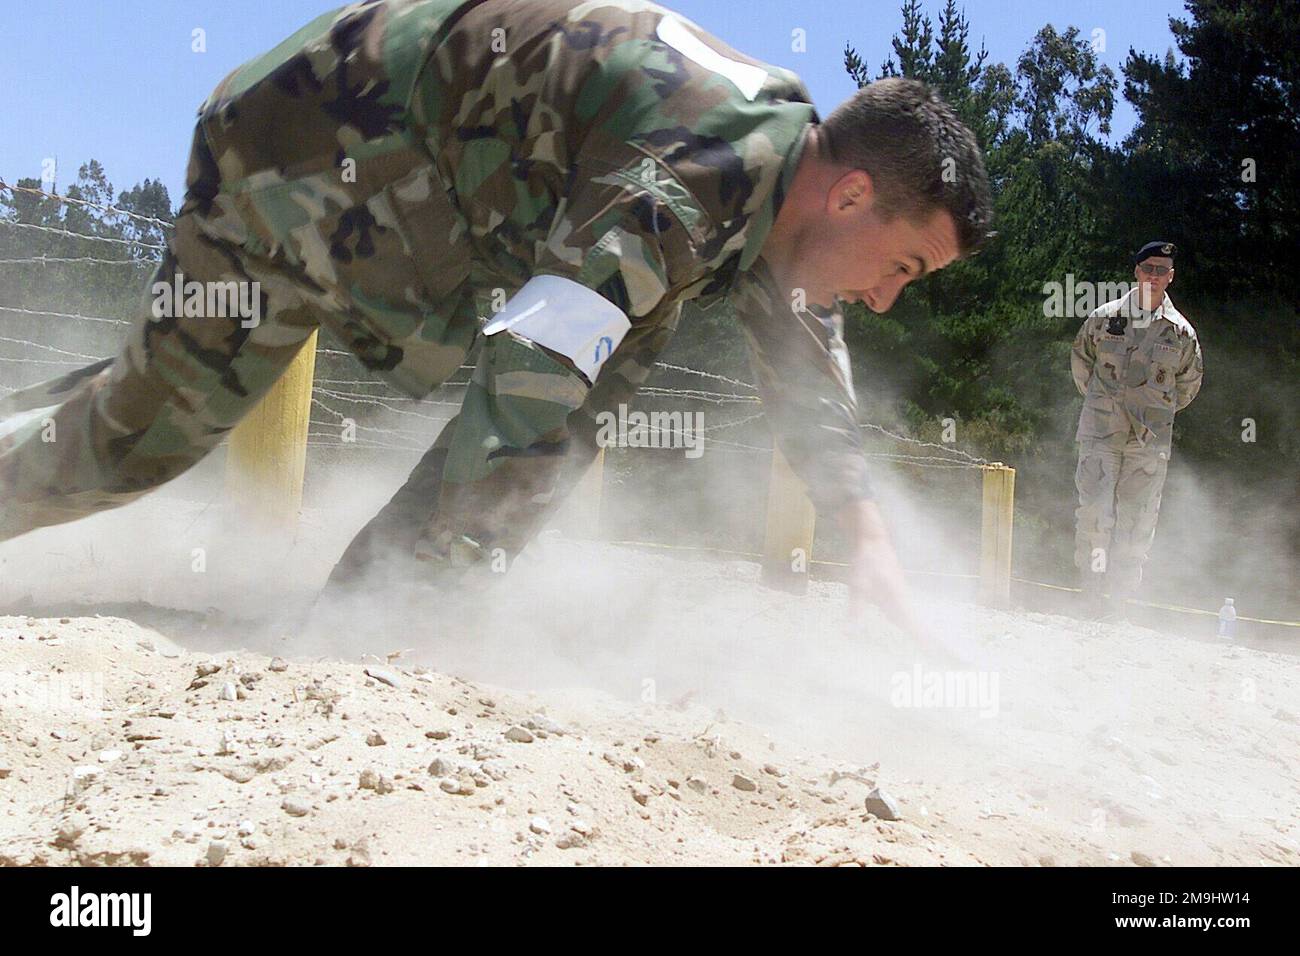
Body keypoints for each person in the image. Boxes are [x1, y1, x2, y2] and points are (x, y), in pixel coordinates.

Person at [0, 0, 992, 643]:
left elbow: (808, 374)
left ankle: (379, 608)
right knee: (142, 434)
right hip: (306, 143)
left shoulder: (778, 177)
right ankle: (383, 616)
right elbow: (534, 369)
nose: (886, 297)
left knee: (605, 370)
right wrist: (417, 613)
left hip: (384, 167)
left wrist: (868, 541)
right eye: (903, 267)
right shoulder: (698, 177)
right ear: (851, 196)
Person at [1070, 241, 1203, 617]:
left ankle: (1121, 600)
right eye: (1148, 268)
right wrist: (1106, 406)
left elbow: (1187, 385)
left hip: (1148, 440)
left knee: (1138, 519)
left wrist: (1153, 412)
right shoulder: (1104, 318)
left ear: (1171, 277)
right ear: (1136, 271)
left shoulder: (1180, 333)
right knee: (1094, 512)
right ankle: (1091, 592)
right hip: (1101, 433)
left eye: (1161, 270)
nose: (1153, 276)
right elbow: (1082, 365)